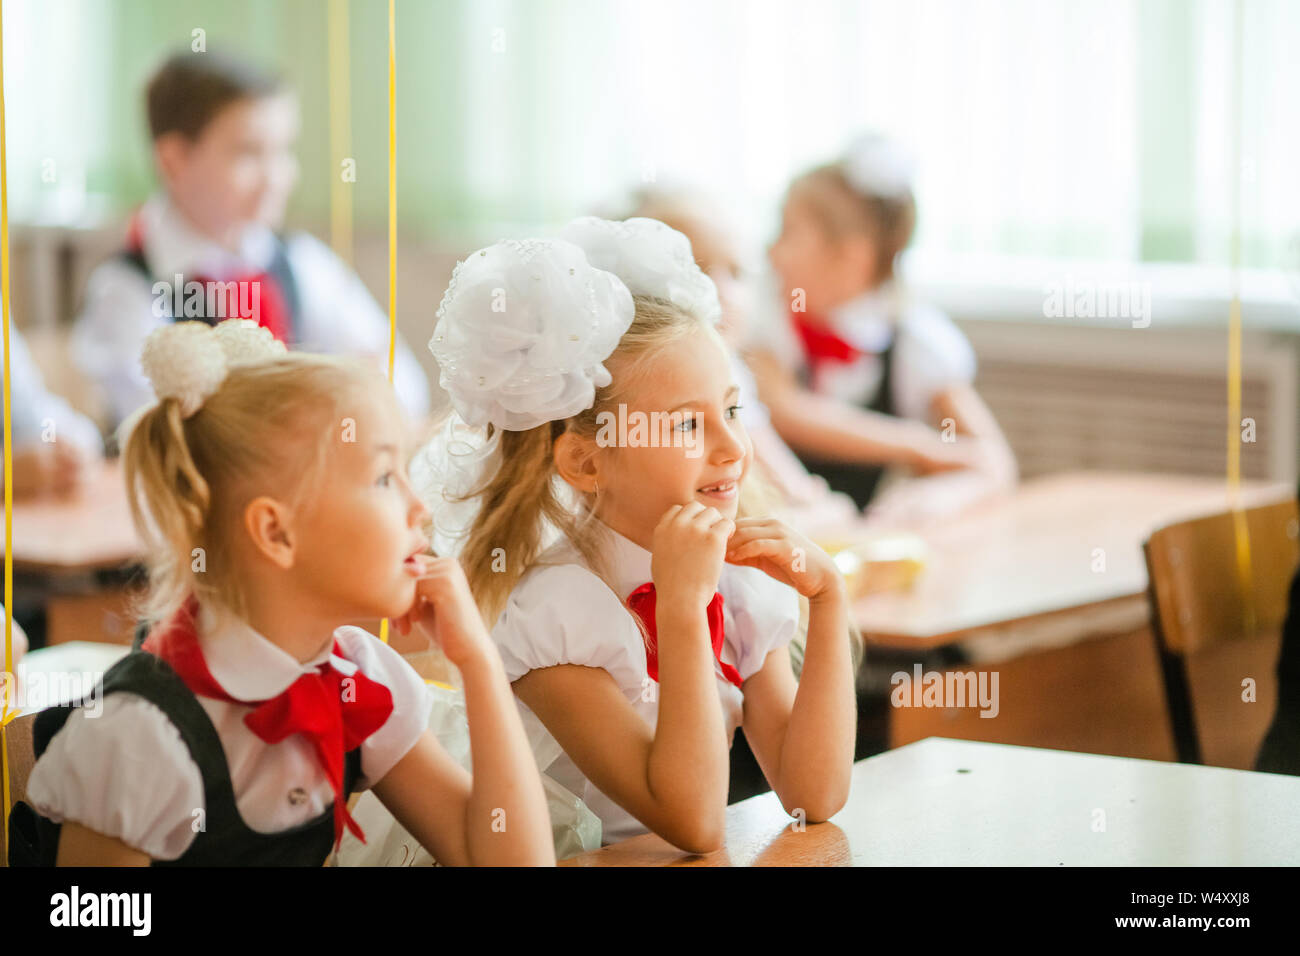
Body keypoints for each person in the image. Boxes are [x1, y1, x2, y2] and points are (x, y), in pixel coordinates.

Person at [14, 320, 552, 866]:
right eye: (385, 478)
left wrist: (478, 659)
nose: (422, 509)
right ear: (275, 532)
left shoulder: (353, 677)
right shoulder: (142, 736)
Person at [423, 218, 857, 850]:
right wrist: (681, 611)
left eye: (731, 411)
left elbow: (813, 795)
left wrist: (828, 598)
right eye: (687, 426)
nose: (735, 447)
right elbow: (692, 820)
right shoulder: (556, 614)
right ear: (586, 462)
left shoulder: (736, 584)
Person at [71, 49, 430, 430]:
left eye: (283, 151)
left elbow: (401, 385)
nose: (277, 176)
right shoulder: (128, 288)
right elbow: (161, 427)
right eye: (249, 153)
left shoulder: (300, 262)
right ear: (175, 158)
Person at [752, 133, 1017, 521]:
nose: (771, 251)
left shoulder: (913, 341)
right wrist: (917, 446)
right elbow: (781, 409)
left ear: (850, 256)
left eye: (788, 232)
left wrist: (944, 495)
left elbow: (993, 461)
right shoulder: (772, 323)